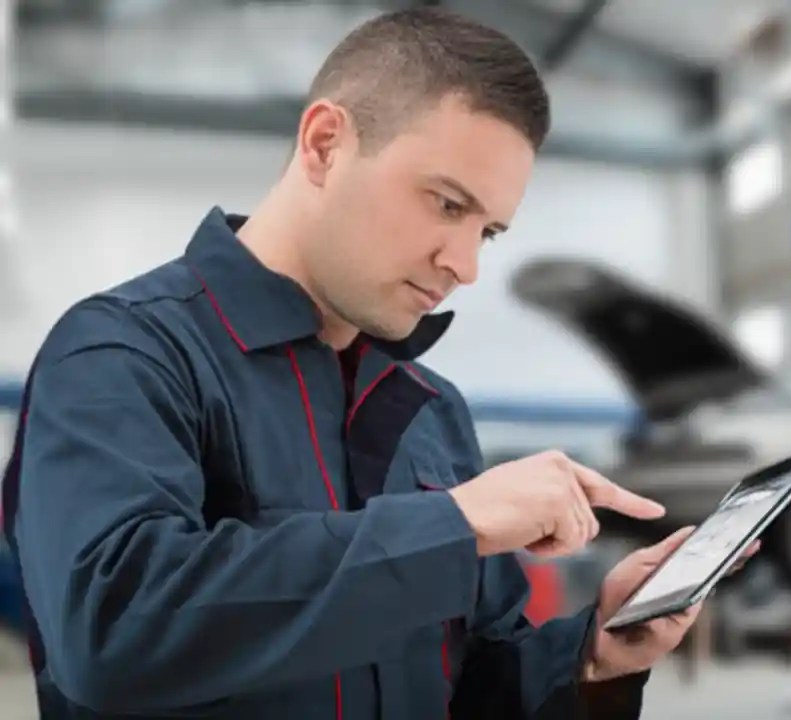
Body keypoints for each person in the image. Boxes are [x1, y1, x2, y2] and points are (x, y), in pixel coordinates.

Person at [1, 8, 753, 719]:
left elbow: (470, 685)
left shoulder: (431, 409)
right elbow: (111, 631)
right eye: (447, 204)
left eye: (487, 231)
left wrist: (590, 654)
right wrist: (453, 524)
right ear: (325, 144)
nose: (464, 265)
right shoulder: (123, 354)